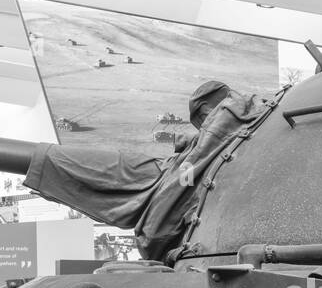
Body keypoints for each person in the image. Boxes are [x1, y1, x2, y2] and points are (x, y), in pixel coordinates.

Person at [22, 80, 273, 261]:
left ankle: (49, 161)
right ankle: (48, 160)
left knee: (119, 172)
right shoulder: (248, 120)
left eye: (200, 120)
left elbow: (181, 182)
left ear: (207, 109)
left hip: (174, 186)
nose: (200, 126)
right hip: (164, 176)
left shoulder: (228, 117)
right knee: (118, 169)